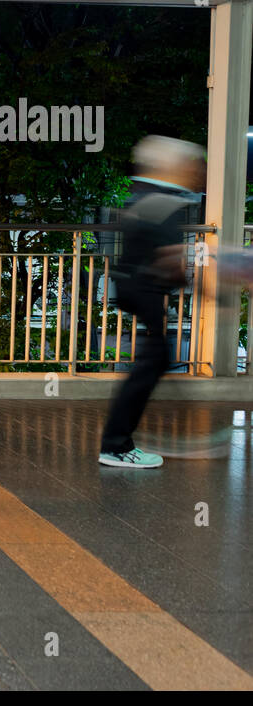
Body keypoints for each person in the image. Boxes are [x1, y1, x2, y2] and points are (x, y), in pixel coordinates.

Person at [99, 135, 205, 469]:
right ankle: (116, 445)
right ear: (173, 167)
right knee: (152, 362)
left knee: (154, 361)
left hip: (135, 286)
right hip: (142, 288)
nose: (196, 171)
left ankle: (117, 442)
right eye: (192, 165)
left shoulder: (146, 194)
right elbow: (169, 258)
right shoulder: (164, 198)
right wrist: (209, 288)